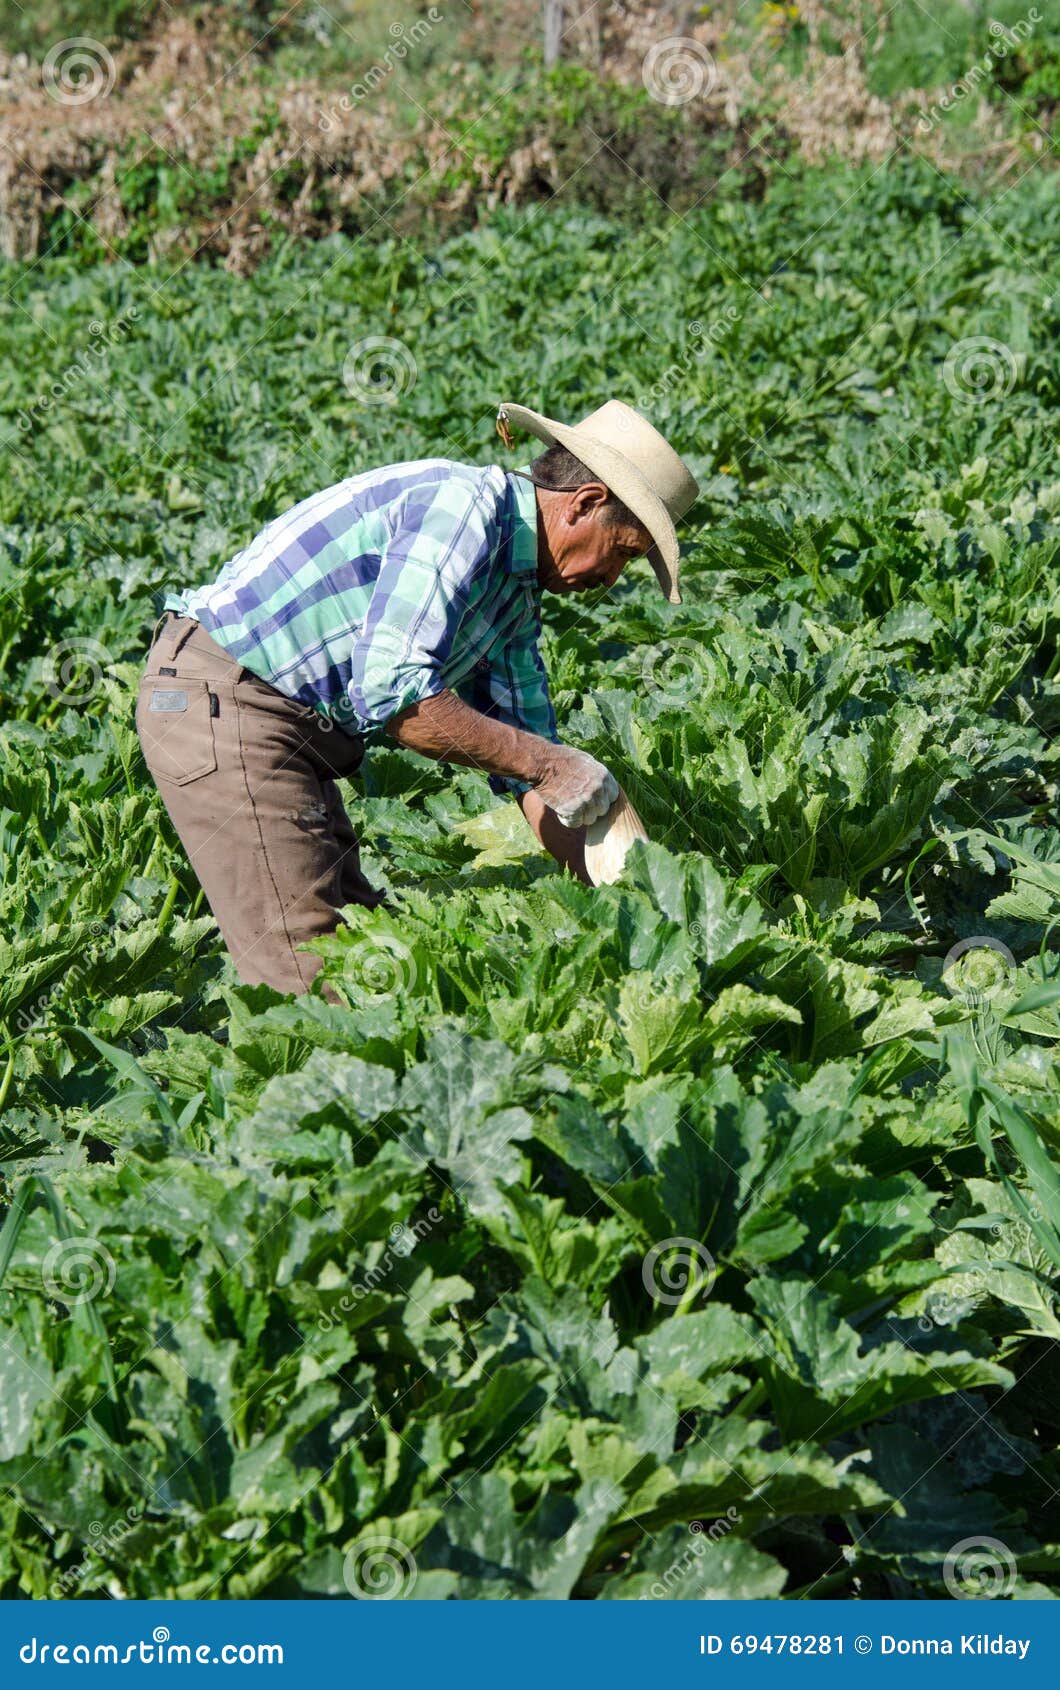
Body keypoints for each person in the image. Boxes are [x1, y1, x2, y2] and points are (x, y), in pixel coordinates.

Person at [136, 398, 699, 995]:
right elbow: (396, 696)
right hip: (224, 700)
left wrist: (630, 906)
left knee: (368, 951)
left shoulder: (514, 597)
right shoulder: (461, 513)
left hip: (285, 725)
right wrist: (554, 767)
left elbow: (536, 781)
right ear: (584, 505)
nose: (611, 581)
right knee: (311, 977)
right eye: (624, 553)